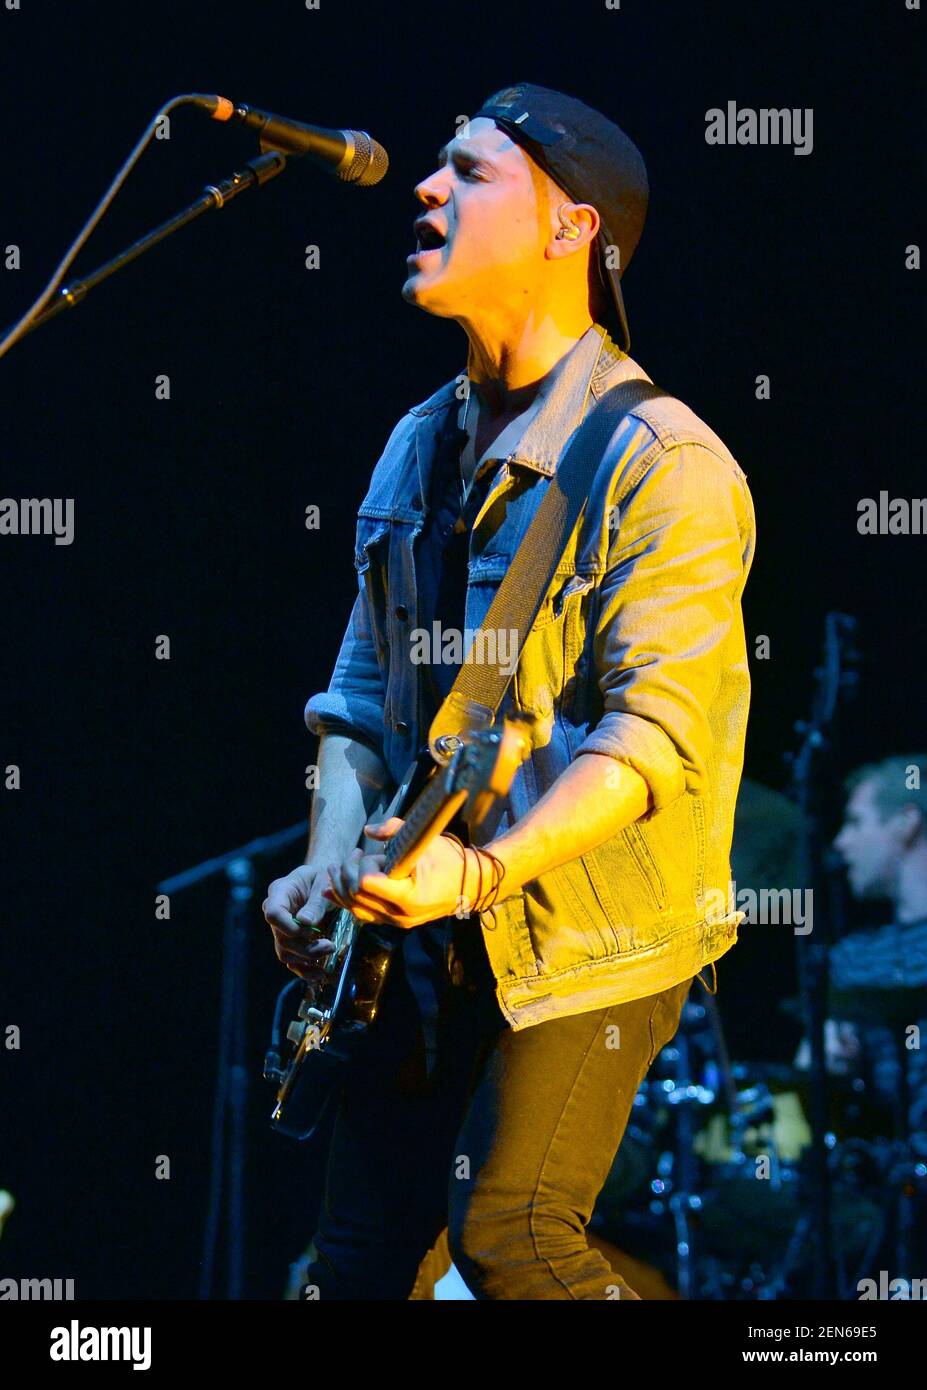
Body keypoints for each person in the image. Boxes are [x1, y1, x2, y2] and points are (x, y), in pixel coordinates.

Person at [263, 82, 756, 1300]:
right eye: (439, 167)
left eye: (470, 172)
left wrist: (478, 871)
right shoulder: (416, 445)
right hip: (433, 926)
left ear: (571, 230)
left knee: (511, 1234)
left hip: (595, 937)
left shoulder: (668, 465)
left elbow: (649, 743)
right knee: (358, 1268)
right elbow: (360, 697)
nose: (426, 188)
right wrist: (333, 858)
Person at [816, 755, 927, 1145]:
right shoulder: (853, 958)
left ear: (906, 822)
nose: (840, 842)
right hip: (890, 1181)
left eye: (855, 822)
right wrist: (831, 1061)